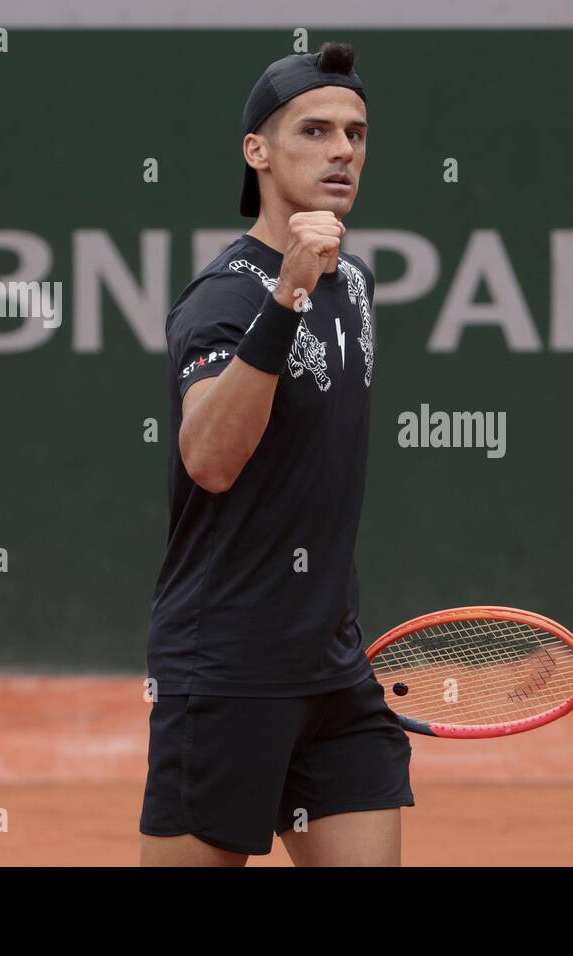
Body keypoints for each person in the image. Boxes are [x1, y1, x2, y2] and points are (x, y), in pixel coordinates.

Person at [139, 41, 411, 867]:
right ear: (257, 151)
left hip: (334, 671)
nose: (342, 151)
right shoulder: (224, 296)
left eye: (356, 134)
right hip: (225, 670)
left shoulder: (355, 283)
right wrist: (287, 293)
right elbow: (211, 459)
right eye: (315, 131)